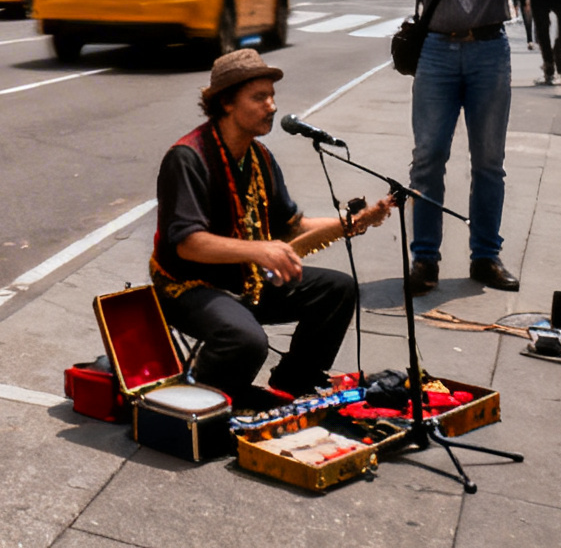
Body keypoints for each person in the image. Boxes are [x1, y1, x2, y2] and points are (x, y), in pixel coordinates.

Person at [152, 49, 395, 403]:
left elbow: (293, 226)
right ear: (227, 102)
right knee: (248, 341)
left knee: (337, 288)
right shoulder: (188, 158)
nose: (272, 106)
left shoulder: (259, 156)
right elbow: (188, 244)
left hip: (245, 280)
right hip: (189, 289)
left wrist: (353, 222)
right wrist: (260, 250)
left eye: (272, 96)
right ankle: (205, 400)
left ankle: (294, 384)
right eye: (259, 97)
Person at [392, 0, 528, 295]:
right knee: (427, 160)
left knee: (489, 162)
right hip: (435, 51)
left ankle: (485, 256)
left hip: (489, 48)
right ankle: (424, 260)